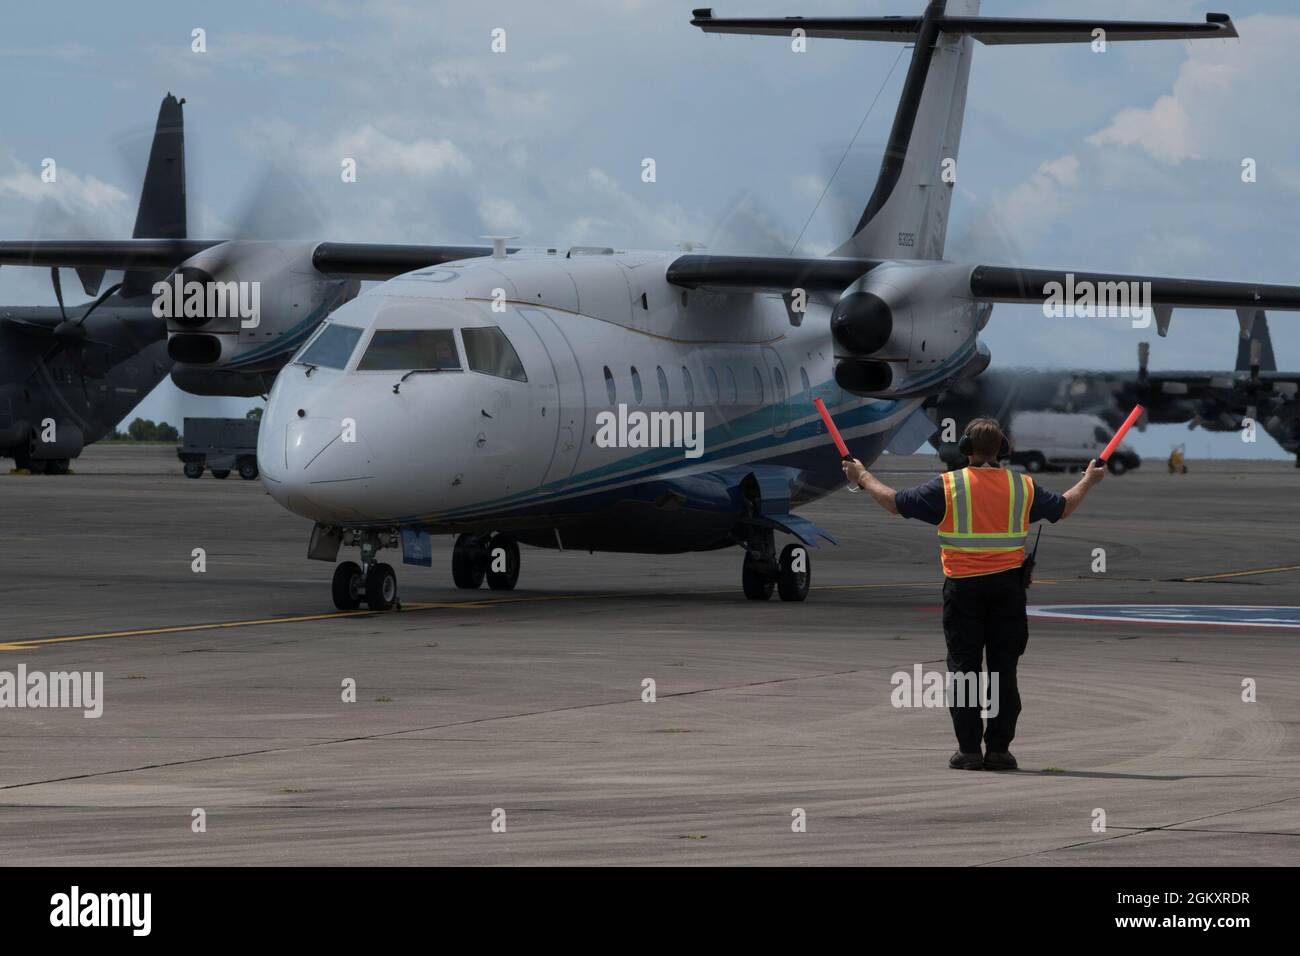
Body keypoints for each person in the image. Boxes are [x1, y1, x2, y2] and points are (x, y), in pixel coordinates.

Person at [843, 417, 1106, 771]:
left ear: (965, 447)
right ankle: (999, 750)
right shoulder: (1021, 487)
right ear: (1002, 449)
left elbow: (893, 502)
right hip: (1008, 591)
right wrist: (1089, 480)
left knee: (965, 671)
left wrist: (862, 477)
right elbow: (1063, 506)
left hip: (963, 591)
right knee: (1003, 670)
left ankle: (968, 750)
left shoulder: (949, 486)